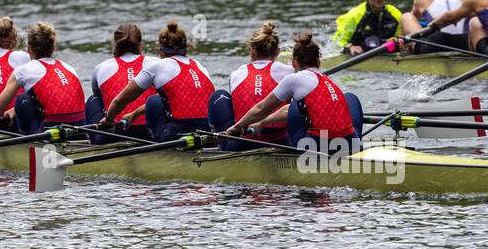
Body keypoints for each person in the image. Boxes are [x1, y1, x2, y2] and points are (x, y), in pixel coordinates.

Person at [224, 32, 363, 151]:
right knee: (350, 98)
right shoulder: (328, 81)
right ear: (318, 62)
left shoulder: (294, 79)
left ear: (294, 61)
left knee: (296, 106)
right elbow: (286, 110)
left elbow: (261, 109)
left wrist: (237, 126)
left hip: (316, 145)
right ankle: (358, 147)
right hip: (350, 143)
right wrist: (262, 123)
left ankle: (295, 154)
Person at [96, 21, 215, 140]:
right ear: (187, 49)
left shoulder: (157, 66)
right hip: (208, 133)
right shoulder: (200, 66)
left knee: (154, 100)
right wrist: (135, 114)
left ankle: (155, 141)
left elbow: (119, 101)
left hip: (175, 134)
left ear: (161, 51)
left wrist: (108, 119)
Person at [0, 21, 87, 133]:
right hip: (79, 130)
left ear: (29, 49)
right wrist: (15, 110)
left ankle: (24, 140)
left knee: (23, 99)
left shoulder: (23, 71)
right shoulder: (69, 68)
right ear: (53, 48)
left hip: (49, 132)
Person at [207, 21, 295, 150]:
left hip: (242, 143)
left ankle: (221, 145)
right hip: (281, 142)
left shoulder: (236, 74)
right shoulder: (290, 72)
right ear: (278, 51)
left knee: (219, 95)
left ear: (251, 51)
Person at [86, 22, 157, 144]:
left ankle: (95, 132)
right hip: (150, 134)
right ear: (141, 44)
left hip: (114, 134)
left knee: (93, 99)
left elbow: (99, 96)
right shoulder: (156, 63)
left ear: (114, 44)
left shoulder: (101, 67)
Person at [336, 0, 403, 54]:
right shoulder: (353, 16)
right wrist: (349, 47)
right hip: (359, 54)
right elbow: (337, 43)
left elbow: (401, 38)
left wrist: (395, 40)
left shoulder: (395, 13)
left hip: (385, 51)